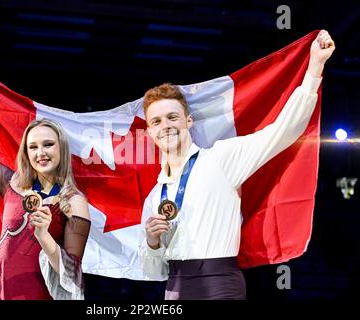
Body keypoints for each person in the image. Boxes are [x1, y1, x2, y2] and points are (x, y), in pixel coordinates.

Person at [138, 30, 335, 300]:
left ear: (189, 121)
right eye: (157, 122)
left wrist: (314, 68)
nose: (166, 126)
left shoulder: (221, 159)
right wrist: (151, 242)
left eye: (173, 117)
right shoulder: (154, 196)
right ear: (149, 132)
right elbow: (152, 271)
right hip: (174, 287)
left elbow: (283, 131)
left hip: (220, 283)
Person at [0, 61, 91, 300]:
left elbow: (72, 274)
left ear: (61, 149)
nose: (40, 152)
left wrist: (44, 235)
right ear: (26, 153)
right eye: (33, 147)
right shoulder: (12, 184)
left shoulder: (73, 201)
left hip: (33, 294)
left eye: (48, 144)